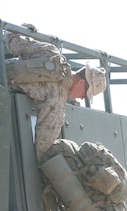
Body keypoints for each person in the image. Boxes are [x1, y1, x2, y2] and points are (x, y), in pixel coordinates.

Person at [6, 26, 106, 160]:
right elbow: (43, 146)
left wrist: (26, 29)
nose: (81, 98)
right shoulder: (57, 101)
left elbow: (13, 41)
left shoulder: (52, 52)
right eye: (84, 94)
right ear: (81, 83)